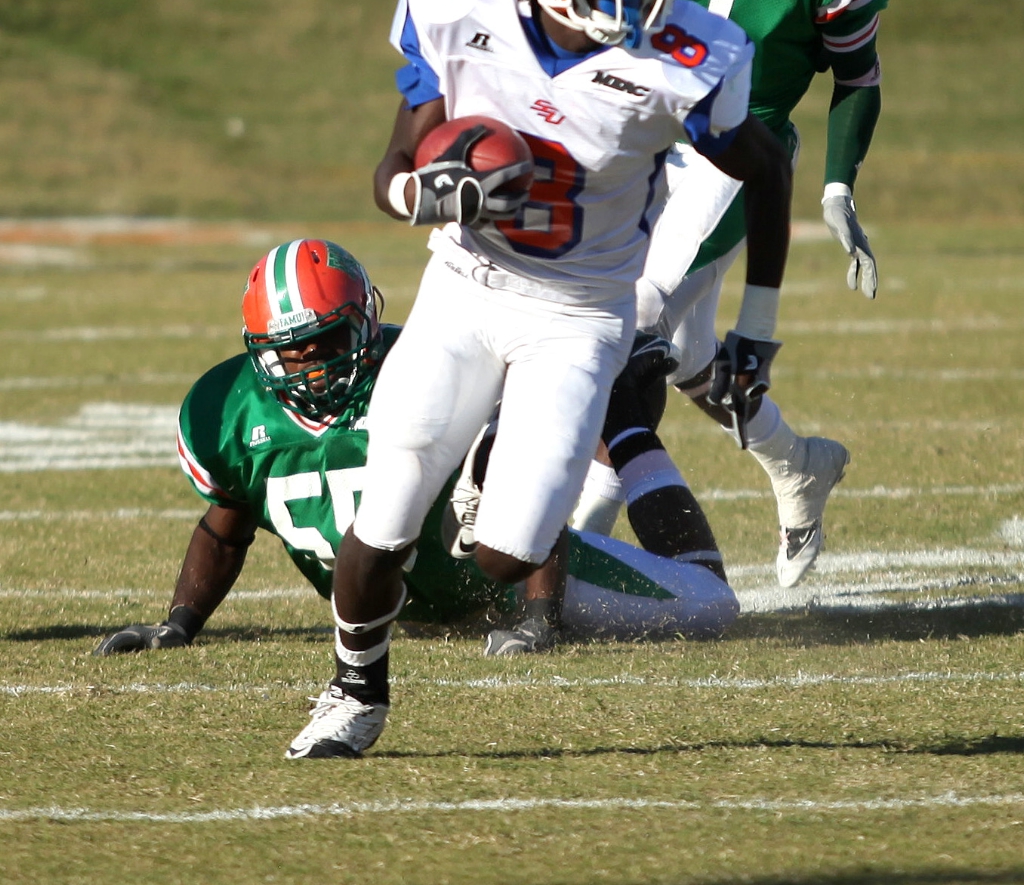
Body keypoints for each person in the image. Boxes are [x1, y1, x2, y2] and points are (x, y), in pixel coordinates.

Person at [286, 0, 794, 759]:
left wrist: (757, 322)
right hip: (464, 286)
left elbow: (766, 167)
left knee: (508, 556)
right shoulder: (456, 0)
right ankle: (353, 691)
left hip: (581, 312)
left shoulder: (691, 57)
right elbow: (393, 169)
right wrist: (430, 195)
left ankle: (481, 467)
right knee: (384, 517)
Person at [93, 240, 740, 661]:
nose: (310, 366)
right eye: (291, 351)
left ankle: (626, 419)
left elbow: (519, 468)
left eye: (325, 342)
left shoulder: (423, 366)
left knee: (712, 606)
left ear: (365, 322)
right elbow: (224, 525)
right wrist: (179, 623)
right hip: (425, 605)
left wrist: (540, 616)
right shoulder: (233, 410)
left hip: (508, 574)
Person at [573, 0, 898, 589]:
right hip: (635, 129)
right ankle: (795, 462)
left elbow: (855, 75)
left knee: (626, 327)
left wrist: (835, 185)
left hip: (732, 152)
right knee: (685, 357)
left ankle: (574, 538)